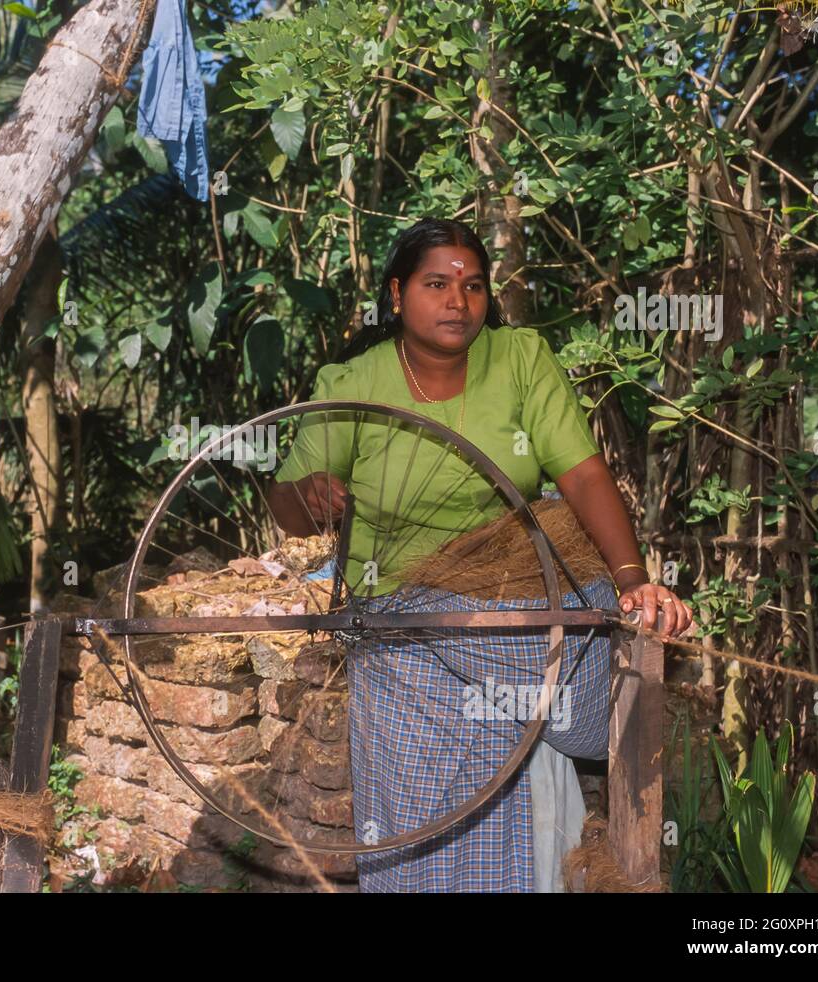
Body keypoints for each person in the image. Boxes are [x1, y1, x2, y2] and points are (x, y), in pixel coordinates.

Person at [268, 217, 693, 892]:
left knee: (603, 635)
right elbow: (287, 505)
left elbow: (582, 475)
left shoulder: (521, 359)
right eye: (436, 284)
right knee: (419, 814)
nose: (457, 302)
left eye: (472, 286)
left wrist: (634, 580)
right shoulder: (353, 380)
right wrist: (310, 495)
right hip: (399, 621)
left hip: (512, 598)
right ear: (397, 293)